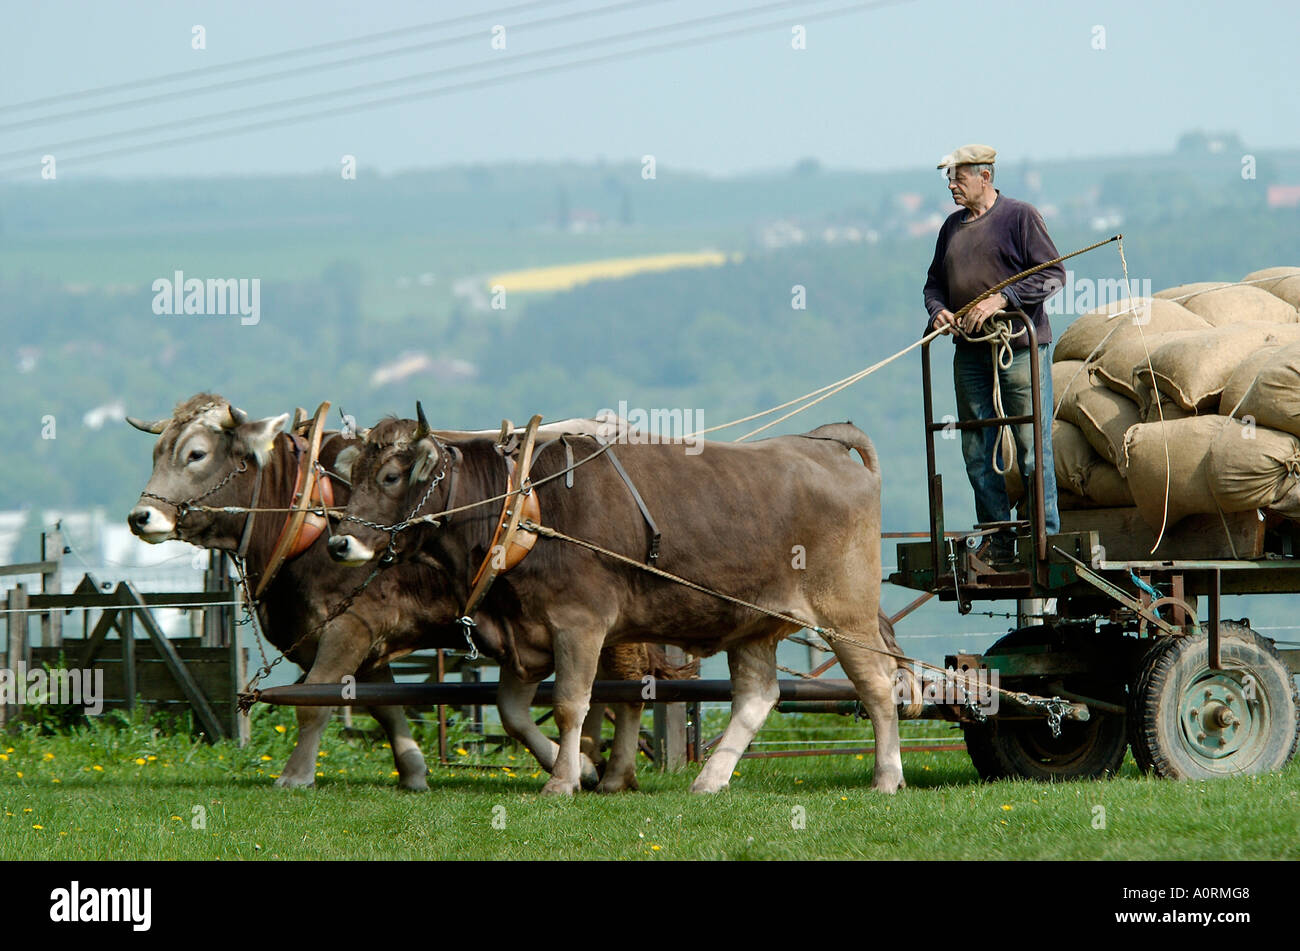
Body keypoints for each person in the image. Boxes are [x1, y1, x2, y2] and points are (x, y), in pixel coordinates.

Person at [922, 144, 1064, 567]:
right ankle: (997, 537)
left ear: (985, 176)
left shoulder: (1021, 217)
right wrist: (939, 311)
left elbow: (1053, 274)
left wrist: (1003, 298)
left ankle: (1045, 537)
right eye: (949, 178)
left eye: (959, 178)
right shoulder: (950, 228)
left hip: (1018, 347)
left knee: (1030, 445)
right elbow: (933, 285)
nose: (951, 185)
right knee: (975, 445)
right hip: (970, 351)